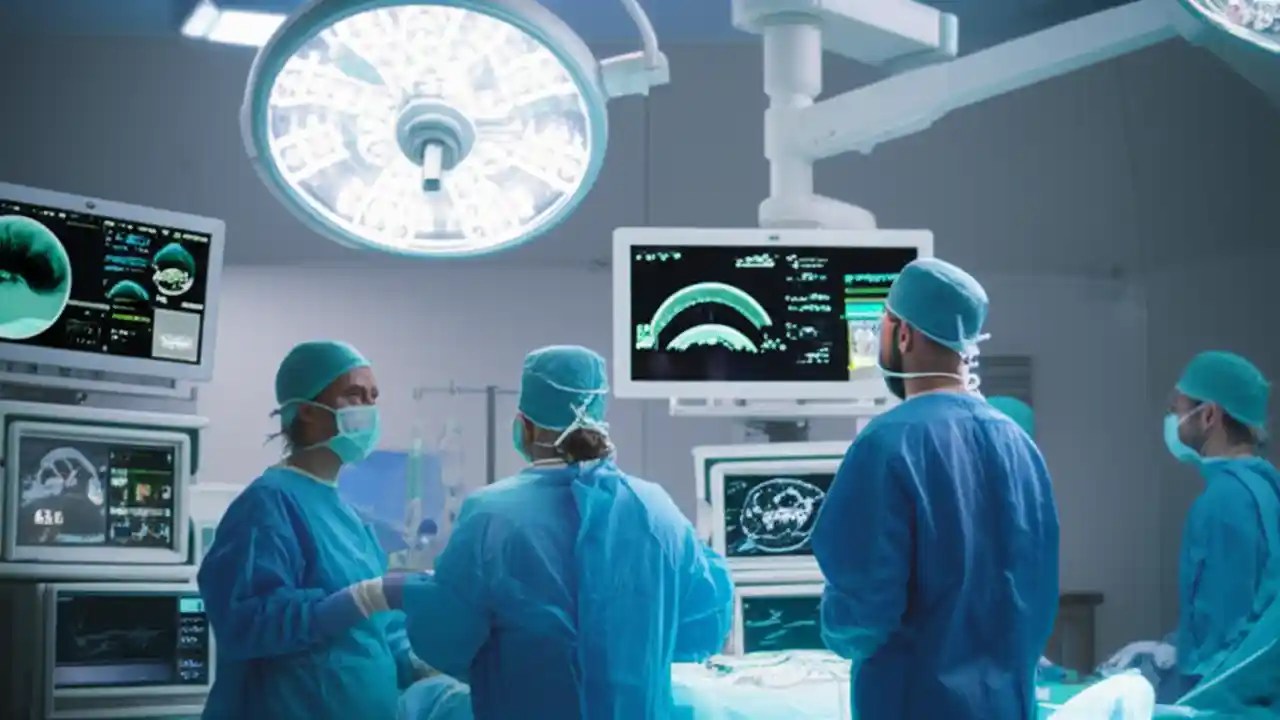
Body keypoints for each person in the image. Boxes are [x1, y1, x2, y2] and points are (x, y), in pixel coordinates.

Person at [371, 344, 734, 719]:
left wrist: (408, 596)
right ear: (599, 419)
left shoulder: (491, 516)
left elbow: (448, 639)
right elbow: (703, 625)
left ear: (524, 427)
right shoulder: (657, 509)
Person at [810, 258, 1061, 720]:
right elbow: (1037, 598)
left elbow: (862, 614)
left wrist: (832, 631)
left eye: (883, 324)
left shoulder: (887, 444)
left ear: (903, 335)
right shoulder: (1019, 446)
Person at [197, 341, 428, 720]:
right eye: (354, 395)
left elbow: (374, 630)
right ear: (306, 409)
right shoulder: (268, 504)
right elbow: (244, 623)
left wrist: (419, 664)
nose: (369, 408)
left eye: (373, 397)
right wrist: (359, 599)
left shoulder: (348, 516)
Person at [1163, 351, 1280, 702]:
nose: (1172, 418)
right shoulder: (1264, 488)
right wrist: (1173, 647)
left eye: (1178, 407)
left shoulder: (1226, 500)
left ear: (1209, 415)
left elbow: (1220, 640)